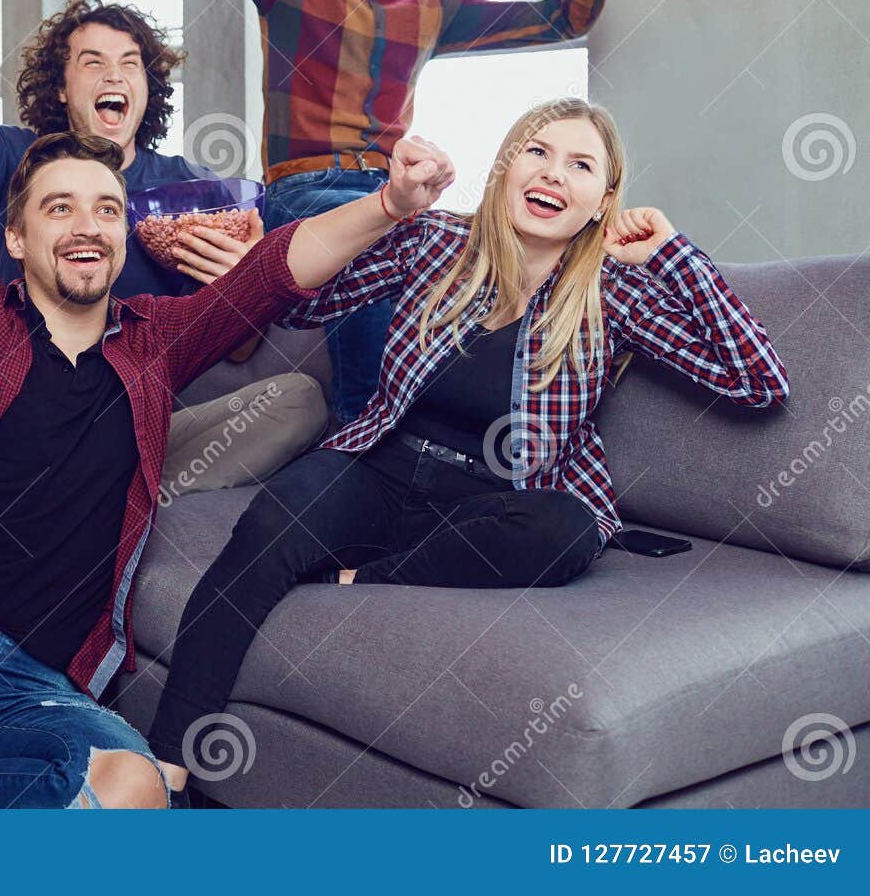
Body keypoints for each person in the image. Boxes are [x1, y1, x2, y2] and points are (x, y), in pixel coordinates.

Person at [0, 8, 454, 809]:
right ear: (17, 237)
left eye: (104, 207)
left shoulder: (156, 343)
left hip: (35, 691)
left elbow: (272, 271)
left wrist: (391, 203)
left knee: (136, 790)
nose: (87, 223)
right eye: (59, 207)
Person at [145, 98, 789, 786]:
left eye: (580, 165)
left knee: (567, 529)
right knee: (271, 520)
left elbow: (757, 382)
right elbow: (308, 304)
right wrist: (271, 256)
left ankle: (365, 578)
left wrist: (674, 253)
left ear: (603, 200)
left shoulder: (614, 290)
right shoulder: (436, 242)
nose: (552, 174)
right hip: (382, 468)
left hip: (496, 501)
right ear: (506, 166)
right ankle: (168, 770)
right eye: (537, 152)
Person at [194, 0, 616, 426]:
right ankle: (363, 433)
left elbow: (559, 19)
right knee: (389, 236)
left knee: (484, 240)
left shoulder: (428, 5)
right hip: (306, 192)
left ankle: (507, 436)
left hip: (398, 192)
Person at [0, 0, 327, 494]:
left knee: (300, 398)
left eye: (130, 63)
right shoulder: (24, 159)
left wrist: (242, 285)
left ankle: (119, 494)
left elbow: (238, 349)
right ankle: (96, 496)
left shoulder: (196, 192)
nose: (113, 75)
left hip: (134, 430)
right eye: (91, 63)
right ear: (63, 87)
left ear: (148, 86)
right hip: (26, 414)